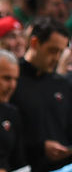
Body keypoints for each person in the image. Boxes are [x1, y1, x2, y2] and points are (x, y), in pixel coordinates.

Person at [11, 17, 72, 172]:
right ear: (35, 43)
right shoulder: (12, 79)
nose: (56, 58)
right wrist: (39, 147)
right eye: (52, 50)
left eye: (61, 52)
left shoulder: (63, 84)